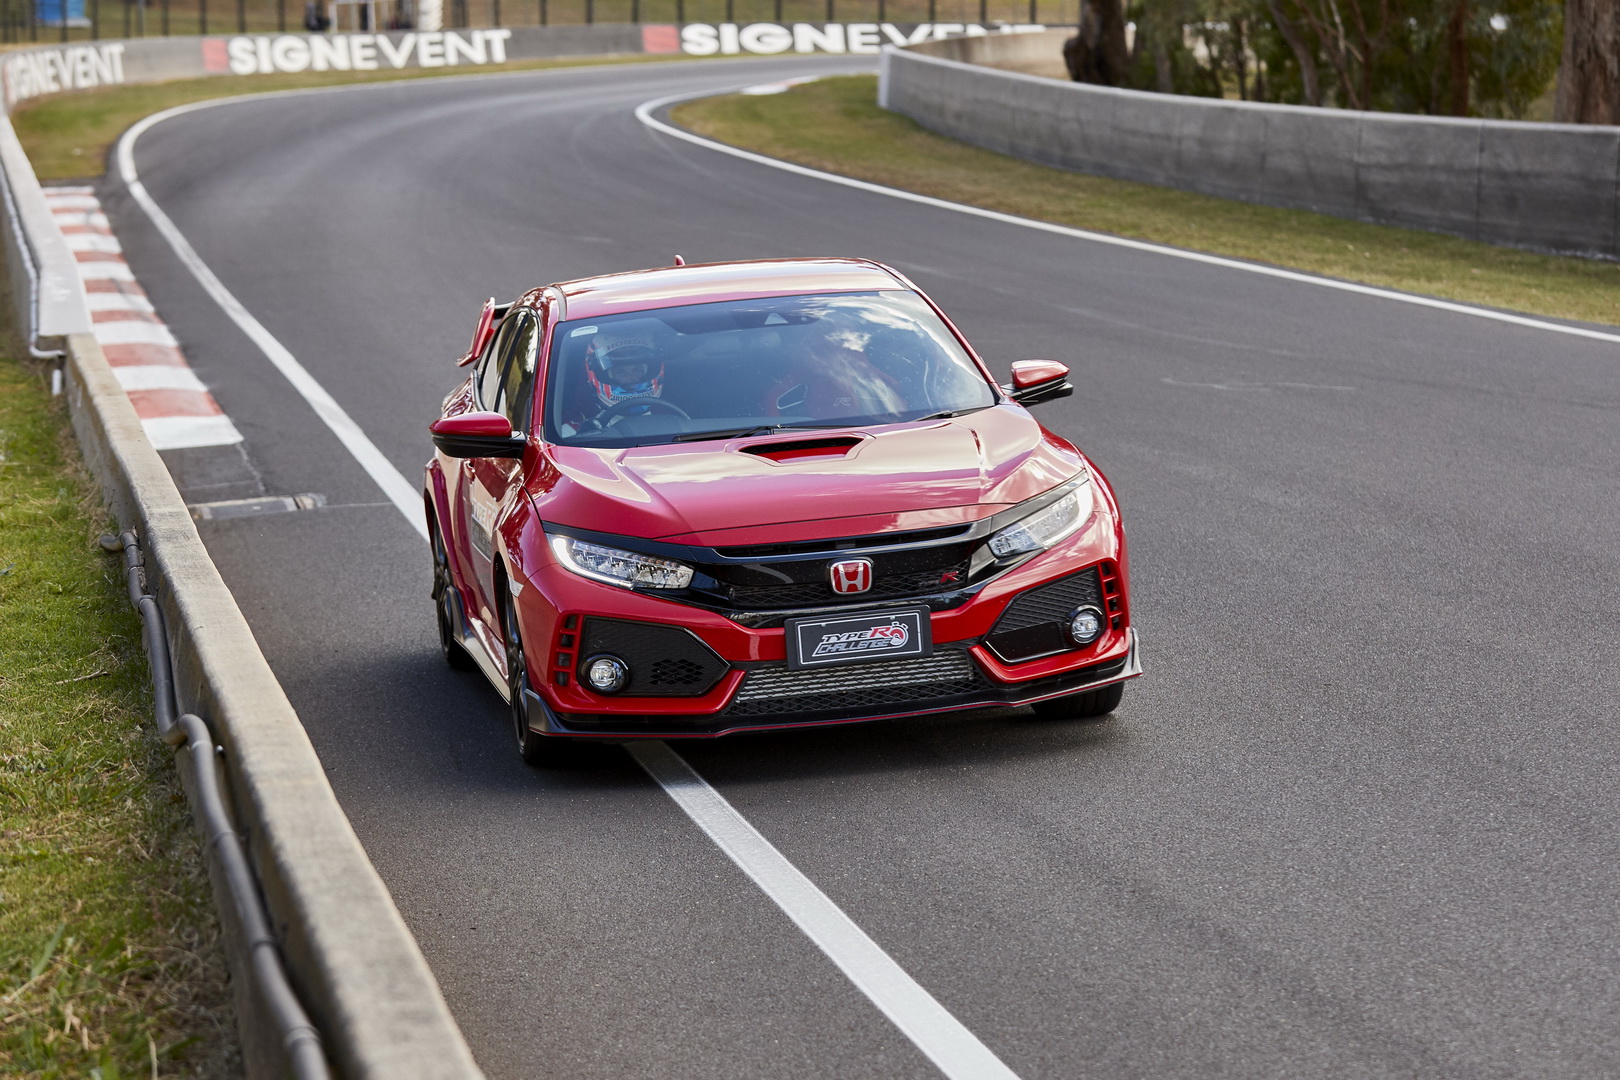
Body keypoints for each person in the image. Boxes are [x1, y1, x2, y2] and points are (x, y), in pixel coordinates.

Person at [561, 321, 670, 435]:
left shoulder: (678, 420)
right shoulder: (575, 432)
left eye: (638, 370)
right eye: (620, 372)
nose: (630, 379)